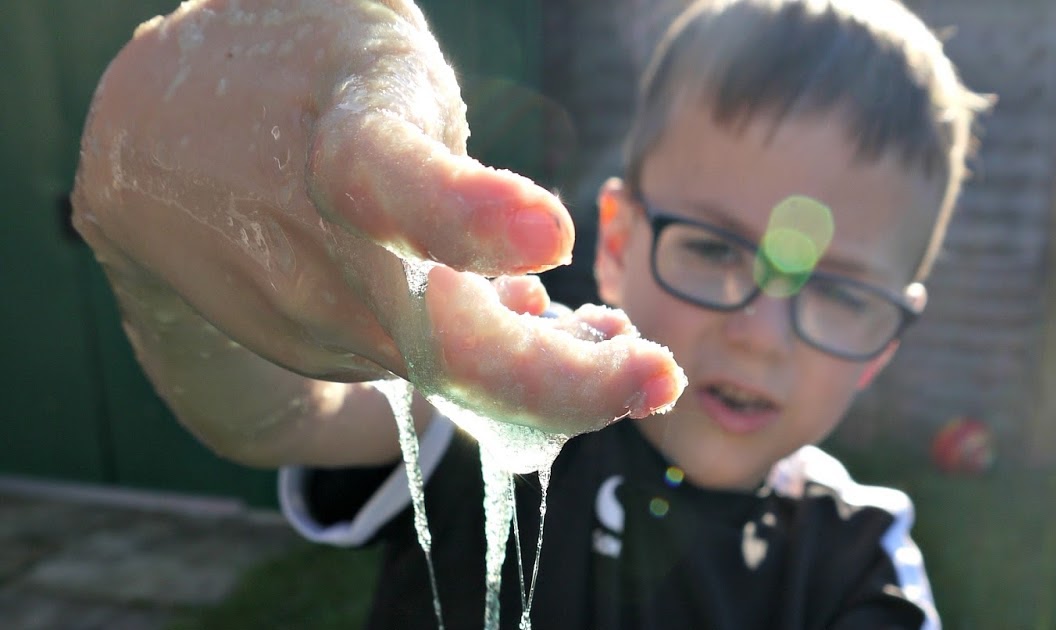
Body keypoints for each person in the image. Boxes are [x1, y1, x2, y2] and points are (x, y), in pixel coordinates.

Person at [72, 0, 989, 628]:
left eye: (835, 291)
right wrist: (170, 288)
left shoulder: (861, 555)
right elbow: (274, 416)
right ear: (620, 243)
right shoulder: (504, 407)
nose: (759, 329)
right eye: (713, 247)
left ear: (883, 346)